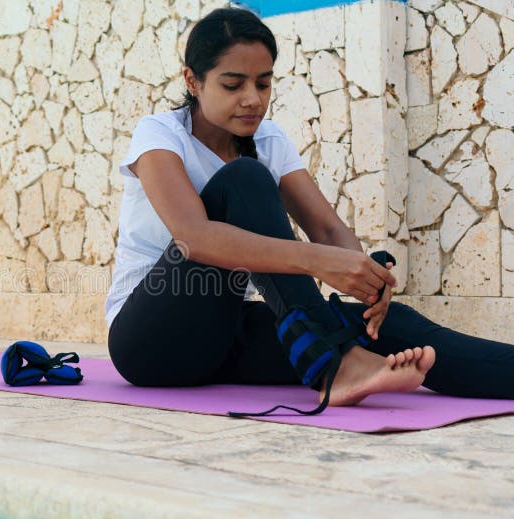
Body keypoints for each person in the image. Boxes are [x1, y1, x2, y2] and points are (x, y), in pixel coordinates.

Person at [105, 6, 514, 413]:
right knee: (244, 179)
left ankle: (351, 362)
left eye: (263, 84)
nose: (252, 99)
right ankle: (333, 367)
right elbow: (193, 237)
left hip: (223, 337)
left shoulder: (268, 139)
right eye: (233, 85)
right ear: (193, 81)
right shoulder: (159, 134)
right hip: (149, 338)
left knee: (392, 327)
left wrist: (371, 282)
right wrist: (315, 262)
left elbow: (329, 231)